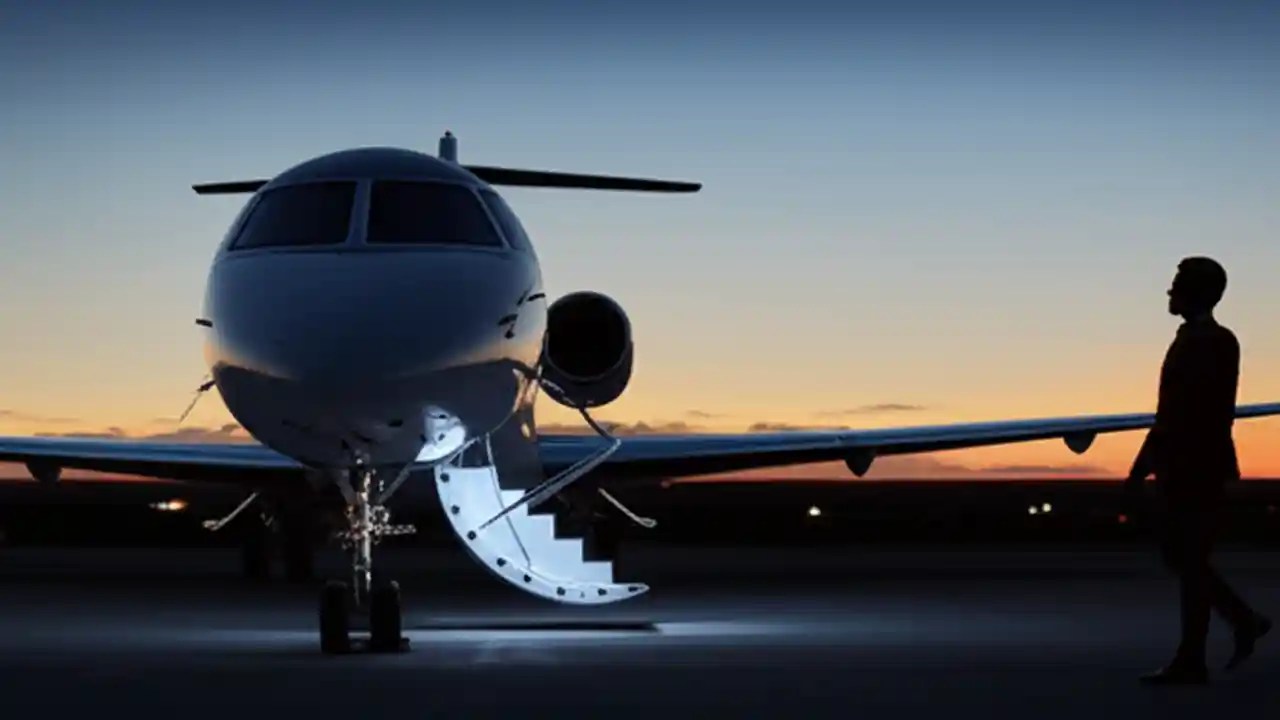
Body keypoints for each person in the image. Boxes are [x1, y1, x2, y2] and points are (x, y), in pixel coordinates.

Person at [1126, 256, 1271, 685]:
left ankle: (1206, 649)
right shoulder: (1197, 338)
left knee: (1187, 558)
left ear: (1198, 292)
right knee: (1187, 558)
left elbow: (1183, 414)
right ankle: (1231, 630)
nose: (1169, 292)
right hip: (1189, 464)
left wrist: (1142, 469)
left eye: (1177, 284)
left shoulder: (1210, 341)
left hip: (1195, 467)